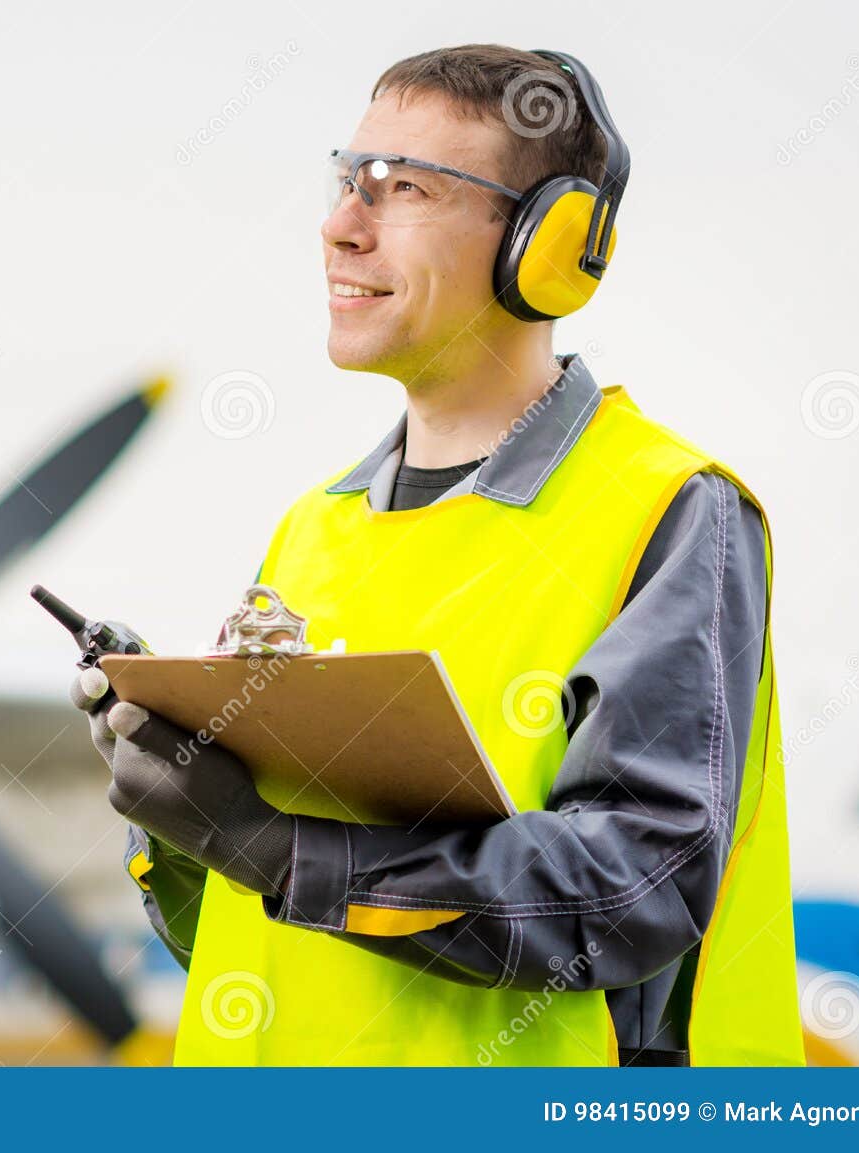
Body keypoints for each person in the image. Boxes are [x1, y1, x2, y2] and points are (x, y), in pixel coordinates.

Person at [71, 43, 803, 1066]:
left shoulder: (671, 509)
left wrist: (273, 845)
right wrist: (186, 811)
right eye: (343, 181)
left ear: (549, 246)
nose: (339, 225)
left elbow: (635, 888)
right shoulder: (311, 527)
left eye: (402, 188)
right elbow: (257, 937)